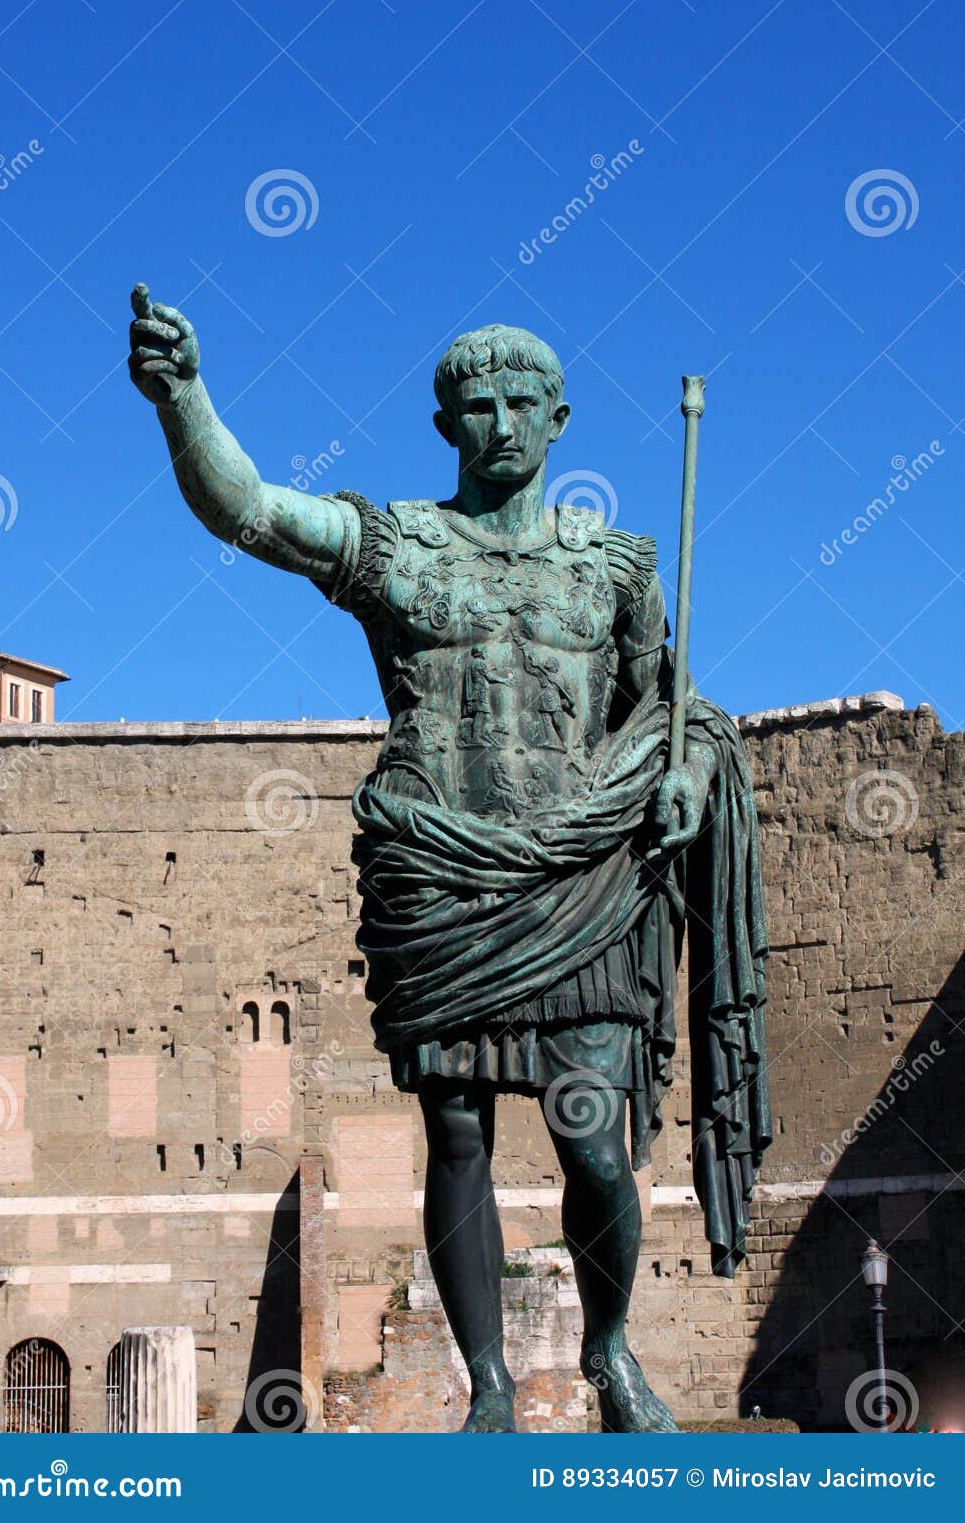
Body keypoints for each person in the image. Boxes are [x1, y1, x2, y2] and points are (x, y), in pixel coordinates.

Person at [129, 293, 770, 1432]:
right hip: (442, 880)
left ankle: (609, 1349)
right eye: (474, 407)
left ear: (559, 418)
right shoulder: (398, 550)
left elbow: (665, 710)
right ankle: (487, 1383)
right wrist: (184, 397)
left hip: (579, 884)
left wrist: (685, 776)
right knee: (458, 1129)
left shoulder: (616, 565)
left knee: (590, 1137)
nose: (500, 424)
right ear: (443, 425)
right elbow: (247, 509)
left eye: (521, 404)